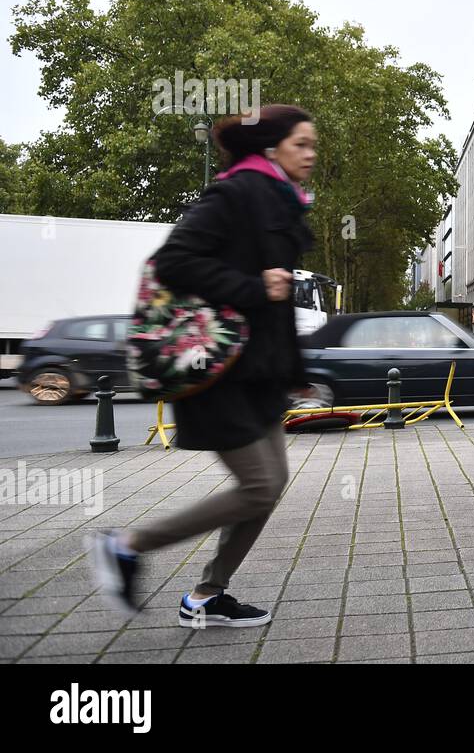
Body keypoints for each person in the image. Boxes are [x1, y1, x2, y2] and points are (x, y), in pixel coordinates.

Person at [87, 105, 318, 627]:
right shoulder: (236, 193)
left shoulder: (280, 201)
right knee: (257, 487)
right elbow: (174, 261)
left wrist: (295, 370)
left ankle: (207, 595)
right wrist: (252, 287)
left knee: (269, 485)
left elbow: (279, 303)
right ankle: (126, 546)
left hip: (260, 373)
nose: (310, 155)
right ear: (270, 148)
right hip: (217, 369)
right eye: (301, 144)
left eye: (312, 146)